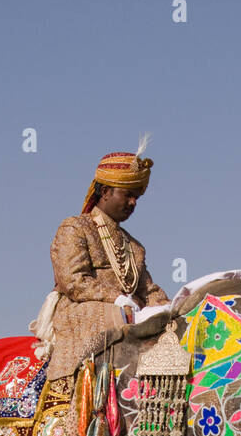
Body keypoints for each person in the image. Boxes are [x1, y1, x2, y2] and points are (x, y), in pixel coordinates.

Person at [39, 142, 170, 379]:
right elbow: (74, 281)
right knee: (118, 318)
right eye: (127, 194)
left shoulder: (135, 246)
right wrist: (117, 299)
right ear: (105, 192)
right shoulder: (75, 227)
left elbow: (148, 289)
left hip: (130, 312)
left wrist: (169, 307)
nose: (133, 203)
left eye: (137, 197)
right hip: (85, 308)